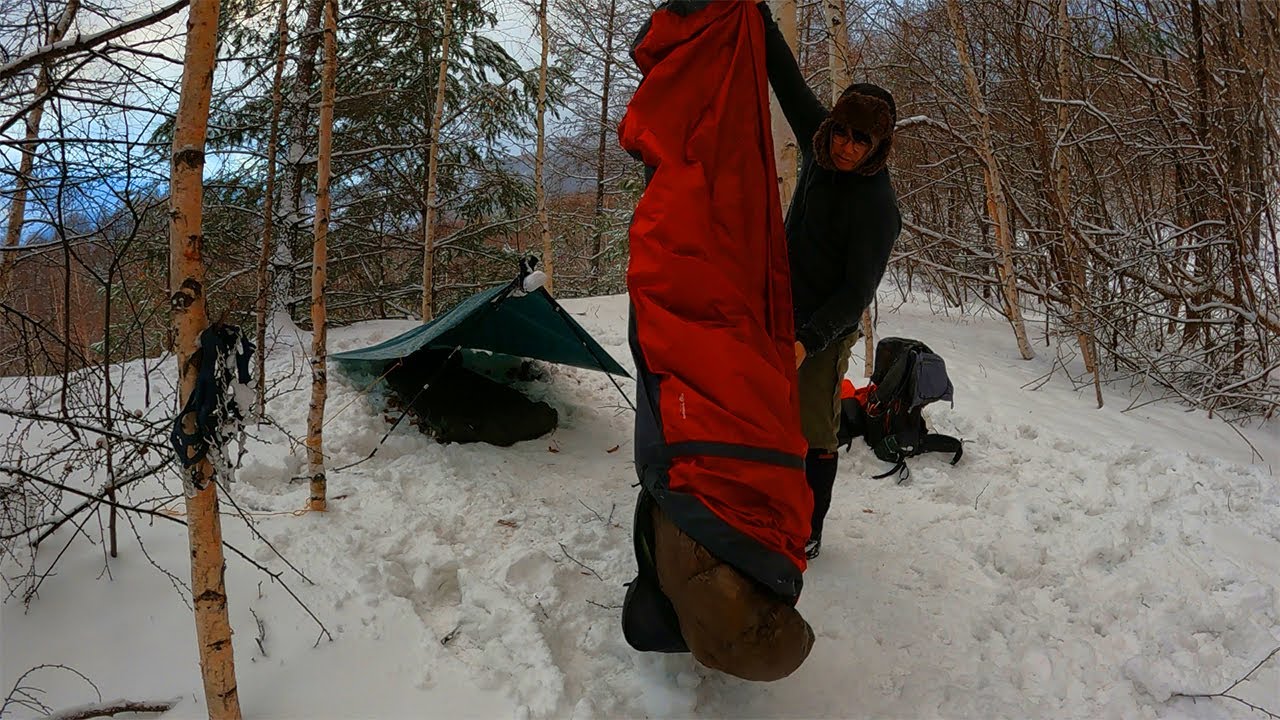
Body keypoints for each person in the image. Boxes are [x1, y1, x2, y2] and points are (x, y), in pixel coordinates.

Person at [757, 1, 903, 559]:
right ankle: (766, 495)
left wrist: (807, 341)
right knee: (765, 409)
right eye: (841, 131)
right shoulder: (820, 147)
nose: (844, 145)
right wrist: (759, 18)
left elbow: (856, 294)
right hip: (780, 303)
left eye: (858, 140)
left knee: (814, 429)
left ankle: (809, 528)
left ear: (877, 146)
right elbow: (785, 76)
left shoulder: (876, 207)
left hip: (824, 327)